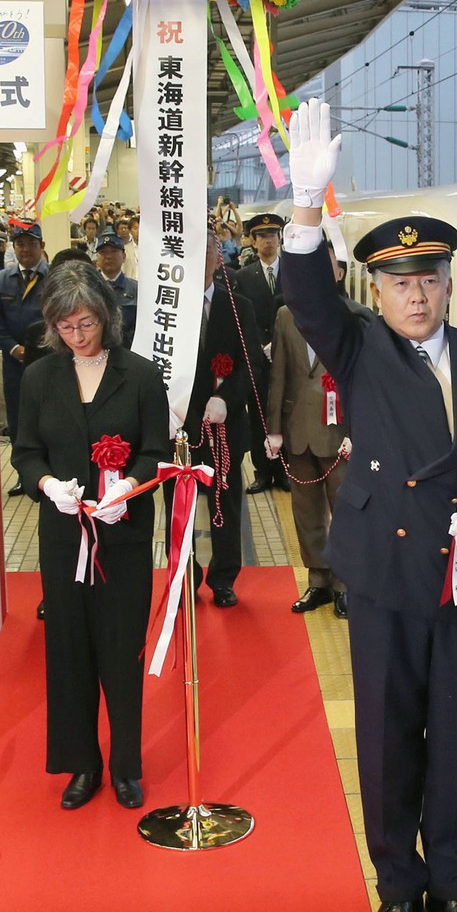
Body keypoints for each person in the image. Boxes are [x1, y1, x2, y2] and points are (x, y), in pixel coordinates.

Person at [279, 100, 457, 912]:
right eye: (399, 281)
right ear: (377, 290)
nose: (415, 293)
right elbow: (306, 295)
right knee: (389, 744)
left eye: (428, 279)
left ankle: (453, 885)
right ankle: (397, 888)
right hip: (387, 583)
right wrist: (306, 209)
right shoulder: (360, 350)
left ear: (449, 284)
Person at [12, 264, 169, 810]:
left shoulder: (142, 376)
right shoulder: (39, 378)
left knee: (122, 650)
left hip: (121, 535)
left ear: (106, 316)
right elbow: (26, 452)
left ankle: (125, 763)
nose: (77, 337)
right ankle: (83, 764)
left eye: (85, 324)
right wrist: (48, 484)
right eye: (65, 327)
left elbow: (155, 451)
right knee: (70, 651)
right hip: (63, 538)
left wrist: (128, 486)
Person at [264, 245, 363, 620]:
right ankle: (318, 580)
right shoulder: (286, 316)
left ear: (338, 273)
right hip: (297, 430)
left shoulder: (355, 317)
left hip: (341, 436)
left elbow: (362, 381)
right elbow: (279, 376)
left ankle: (345, 583)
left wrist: (358, 429)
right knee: (306, 512)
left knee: (345, 511)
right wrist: (273, 429)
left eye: (328, 268)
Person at [169, 233, 261, 609]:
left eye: (207, 249)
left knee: (226, 504)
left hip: (224, 428)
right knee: (181, 508)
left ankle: (223, 578)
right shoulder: (166, 307)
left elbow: (252, 363)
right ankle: (185, 578)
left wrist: (225, 397)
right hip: (177, 428)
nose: (200, 256)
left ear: (218, 256)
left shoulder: (238, 306)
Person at [234, 214, 290, 496]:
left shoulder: (293, 273)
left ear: (280, 239)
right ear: (253, 242)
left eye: (273, 234)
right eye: (262, 236)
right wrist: (261, 344)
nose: (268, 240)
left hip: (289, 358)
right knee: (258, 416)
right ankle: (261, 472)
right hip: (258, 360)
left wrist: (279, 342)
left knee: (287, 414)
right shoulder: (243, 277)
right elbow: (242, 318)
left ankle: (284, 471)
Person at [0, 222, 49, 460]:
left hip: (48, 359)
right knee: (17, 416)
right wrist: (13, 348)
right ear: (13, 247)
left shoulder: (54, 278)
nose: (26, 249)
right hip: (14, 361)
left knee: (48, 413)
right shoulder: (1, 280)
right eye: (20, 244)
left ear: (42, 246)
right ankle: (21, 470)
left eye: (31, 244)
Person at [94, 235, 137, 343]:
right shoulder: (88, 288)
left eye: (113, 251)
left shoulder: (136, 289)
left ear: (124, 256)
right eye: (103, 252)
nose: (108, 256)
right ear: (97, 258)